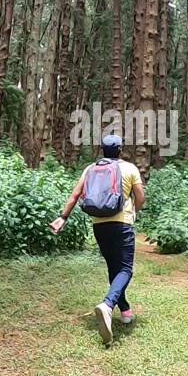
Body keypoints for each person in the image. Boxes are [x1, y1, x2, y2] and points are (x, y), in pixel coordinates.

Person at [50, 134, 145, 346]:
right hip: (122, 224)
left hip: (99, 225)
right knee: (125, 269)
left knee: (114, 268)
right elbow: (140, 197)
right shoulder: (129, 169)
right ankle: (108, 305)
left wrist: (62, 217)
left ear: (102, 150)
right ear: (120, 150)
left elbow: (75, 195)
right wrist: (134, 211)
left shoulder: (90, 169)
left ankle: (126, 310)